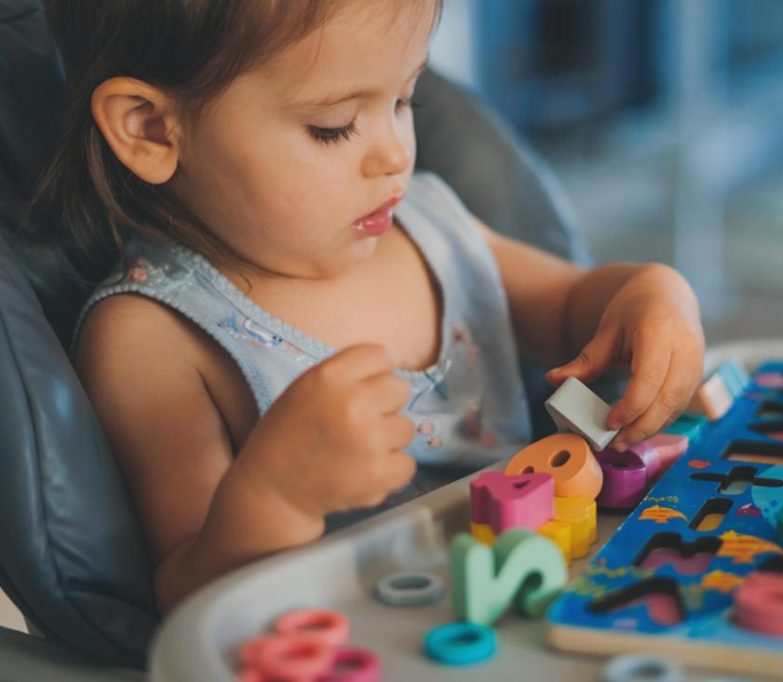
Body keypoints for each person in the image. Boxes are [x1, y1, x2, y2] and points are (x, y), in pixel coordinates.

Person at [28, 0, 705, 613]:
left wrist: (652, 293)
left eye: (405, 98)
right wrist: (277, 497)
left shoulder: (431, 225)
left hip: (546, 596)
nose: (394, 154)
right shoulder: (153, 336)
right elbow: (190, 596)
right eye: (334, 126)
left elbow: (574, 307)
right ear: (151, 128)